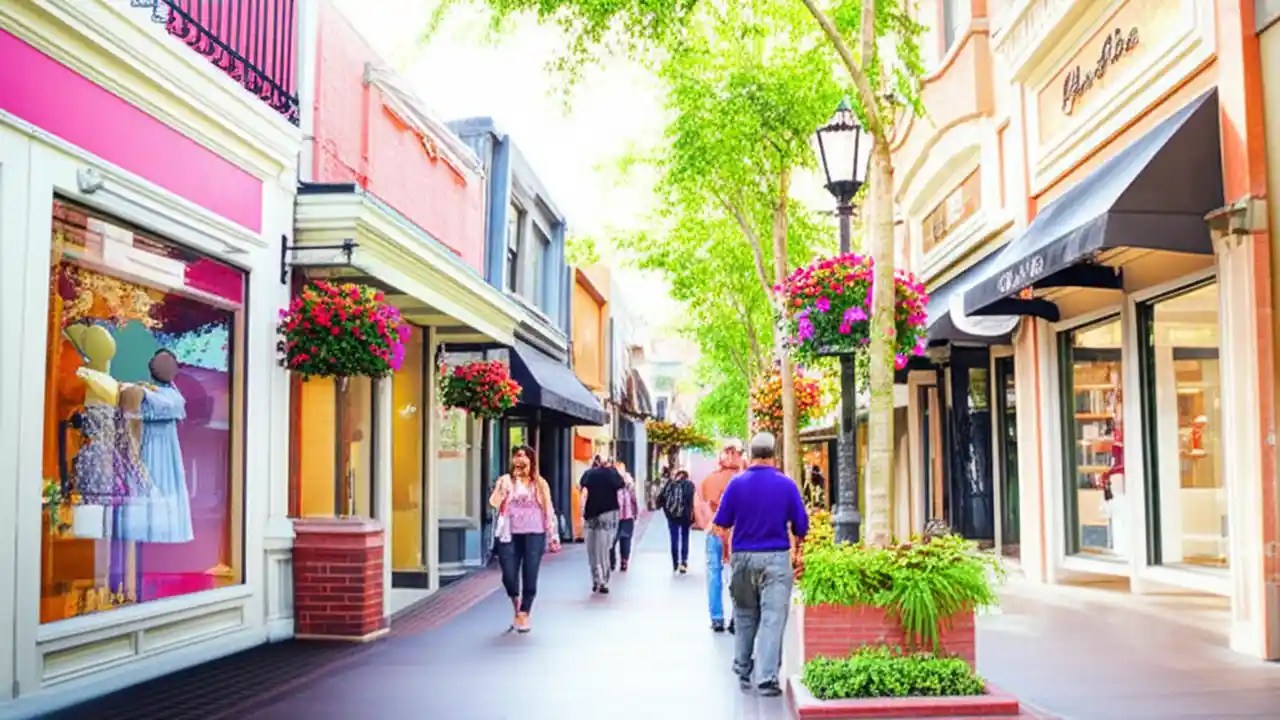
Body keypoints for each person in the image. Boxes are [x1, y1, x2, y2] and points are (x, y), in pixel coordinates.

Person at [712, 432, 809, 697]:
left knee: (744, 614)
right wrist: (798, 548)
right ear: (774, 455)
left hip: (743, 557)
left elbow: (721, 524)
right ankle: (767, 679)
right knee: (773, 618)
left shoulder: (736, 484)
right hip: (776, 557)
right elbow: (801, 526)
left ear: (751, 456)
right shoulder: (787, 485)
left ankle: (743, 667)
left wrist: (727, 551)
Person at [489, 445, 561, 634]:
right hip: (509, 533)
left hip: (534, 532)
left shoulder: (539, 483)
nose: (520, 460)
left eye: (525, 456)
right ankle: (516, 604)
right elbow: (494, 504)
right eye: (517, 456)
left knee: (530, 572)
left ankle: (524, 613)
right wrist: (501, 489)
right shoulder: (506, 481)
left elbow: (548, 509)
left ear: (532, 460)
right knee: (509, 575)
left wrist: (553, 535)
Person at [696, 438, 743, 633]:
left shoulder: (708, 480)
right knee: (737, 575)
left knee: (714, 573)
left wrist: (707, 524)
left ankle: (717, 617)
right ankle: (736, 617)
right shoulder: (742, 480)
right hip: (737, 532)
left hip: (714, 530)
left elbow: (698, 506)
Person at [579, 455, 625, 594]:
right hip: (608, 513)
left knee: (592, 549)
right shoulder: (612, 473)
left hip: (591, 514)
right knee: (603, 548)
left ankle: (596, 579)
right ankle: (604, 580)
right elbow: (621, 484)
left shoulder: (588, 474)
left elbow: (582, 489)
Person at [659, 469, 696, 573]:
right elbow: (693, 502)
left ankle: (675, 563)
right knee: (685, 537)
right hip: (685, 516)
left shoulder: (670, 484)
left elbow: (661, 499)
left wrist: (667, 512)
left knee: (674, 539)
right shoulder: (690, 485)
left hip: (672, 516)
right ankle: (684, 562)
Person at [610, 460, 640, 572]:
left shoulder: (615, 482)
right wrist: (635, 513)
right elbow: (634, 499)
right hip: (625, 516)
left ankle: (618, 562)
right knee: (623, 540)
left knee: (615, 540)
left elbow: (634, 499)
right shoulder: (629, 482)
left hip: (618, 516)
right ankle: (621, 562)